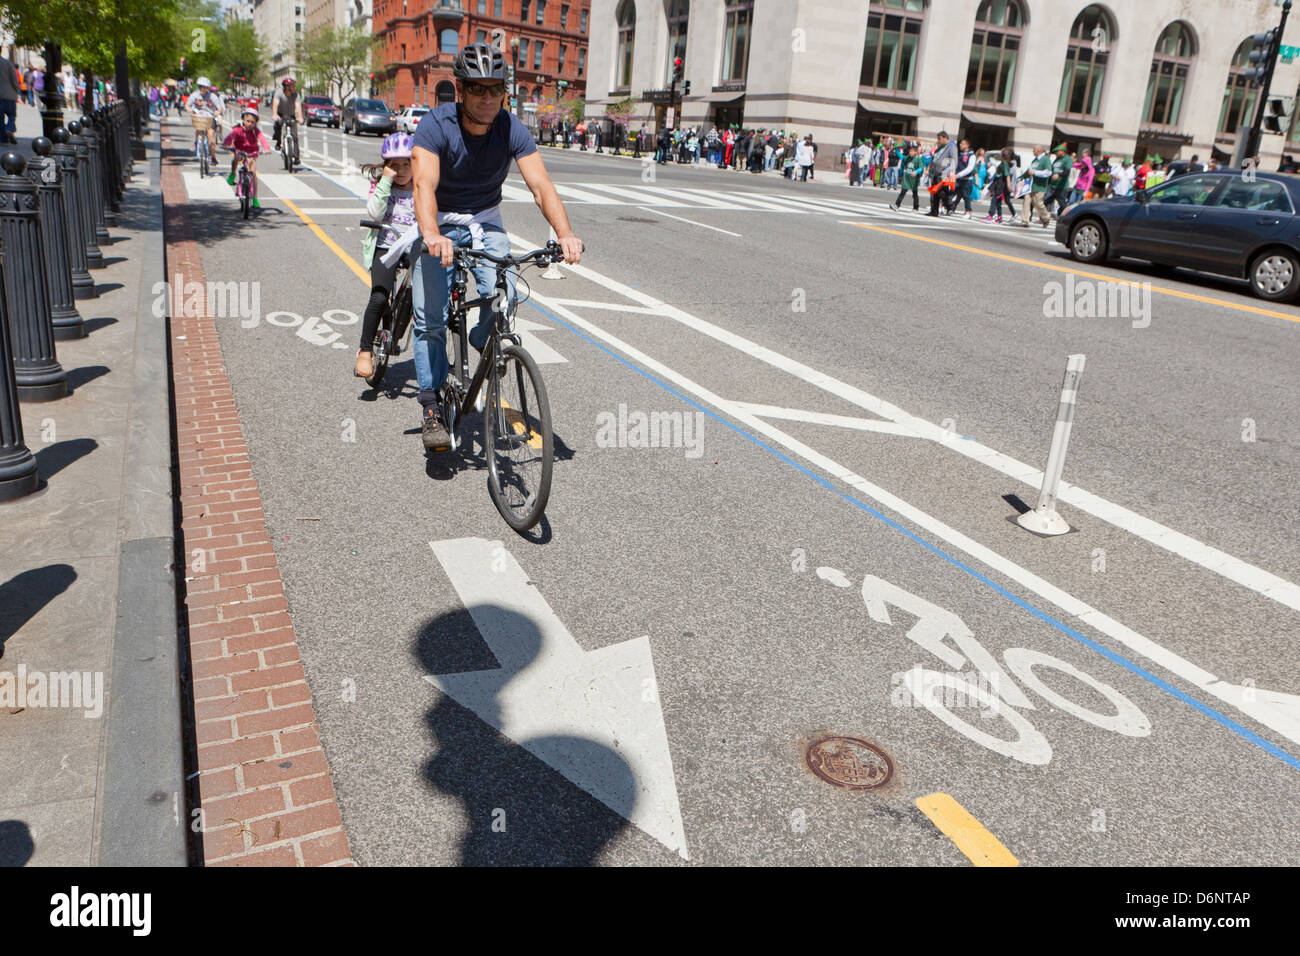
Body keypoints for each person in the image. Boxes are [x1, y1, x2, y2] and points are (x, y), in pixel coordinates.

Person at [407, 42, 583, 452]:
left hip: (485, 219)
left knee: (507, 291)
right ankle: (432, 405)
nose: (487, 99)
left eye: (495, 89)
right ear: (462, 90)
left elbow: (541, 185)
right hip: (442, 220)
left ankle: (481, 335)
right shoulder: (435, 125)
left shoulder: (510, 127)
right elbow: (423, 185)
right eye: (478, 89)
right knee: (430, 318)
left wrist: (564, 233)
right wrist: (431, 234)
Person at [354, 132, 417, 379]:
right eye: (394, 165)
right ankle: (365, 351)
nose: (400, 170)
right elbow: (375, 214)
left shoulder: (421, 187)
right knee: (379, 298)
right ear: (386, 166)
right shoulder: (382, 186)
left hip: (413, 247)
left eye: (406, 164)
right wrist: (385, 182)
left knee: (422, 294)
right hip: (386, 246)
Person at [221, 107, 272, 208]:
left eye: (252, 122)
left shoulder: (255, 131)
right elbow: (230, 137)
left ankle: (255, 198)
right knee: (236, 158)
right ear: (243, 120)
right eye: (248, 121)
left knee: (253, 171)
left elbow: (262, 139)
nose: (249, 124)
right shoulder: (238, 130)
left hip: (252, 152)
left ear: (255, 123)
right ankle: (232, 174)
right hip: (239, 150)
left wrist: (267, 148)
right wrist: (226, 144)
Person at [185, 77, 224, 168]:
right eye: (201, 87)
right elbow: (187, 105)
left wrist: (217, 112)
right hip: (199, 118)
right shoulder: (194, 95)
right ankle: (196, 142)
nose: (202, 89)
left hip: (210, 118)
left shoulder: (212, 96)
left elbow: (219, 107)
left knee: (211, 138)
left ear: (208, 88)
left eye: (205, 87)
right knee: (198, 129)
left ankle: (213, 157)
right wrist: (190, 110)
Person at [1017, 145, 1052, 227]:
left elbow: (1048, 172)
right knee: (1026, 201)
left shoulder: (1046, 160)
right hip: (1031, 186)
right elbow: (1030, 170)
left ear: (1039, 150)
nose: (1033, 151)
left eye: (1034, 150)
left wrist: (1035, 172)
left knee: (1038, 203)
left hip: (1040, 186)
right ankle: (1025, 221)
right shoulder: (1034, 161)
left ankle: (1046, 217)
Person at [272, 77, 304, 160]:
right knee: (277, 125)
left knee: (294, 135)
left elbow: (298, 106)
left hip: (291, 115)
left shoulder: (296, 95)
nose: (294, 87)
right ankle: (278, 142)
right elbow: (275, 104)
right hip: (280, 114)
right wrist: (275, 114)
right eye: (292, 86)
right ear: (286, 87)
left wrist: (300, 117)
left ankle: (296, 157)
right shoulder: (279, 93)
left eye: (293, 86)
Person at [927, 130, 958, 216]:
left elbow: (954, 160)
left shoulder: (951, 146)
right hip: (935, 172)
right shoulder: (941, 147)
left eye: (940, 139)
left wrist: (950, 172)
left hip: (943, 173)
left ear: (945, 138)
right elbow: (935, 158)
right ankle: (934, 210)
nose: (938, 141)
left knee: (942, 192)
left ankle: (950, 206)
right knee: (935, 192)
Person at [890, 144, 924, 212]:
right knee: (902, 193)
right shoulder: (907, 158)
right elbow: (901, 156)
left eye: (912, 151)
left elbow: (921, 168)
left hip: (913, 180)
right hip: (906, 179)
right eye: (910, 151)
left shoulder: (918, 160)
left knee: (914, 194)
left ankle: (915, 207)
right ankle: (897, 205)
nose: (910, 152)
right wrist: (896, 149)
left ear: (916, 152)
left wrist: (916, 172)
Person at [952, 138, 978, 217]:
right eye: (960, 143)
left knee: (966, 196)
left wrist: (959, 174)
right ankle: (949, 207)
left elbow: (970, 168)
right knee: (951, 193)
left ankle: (968, 211)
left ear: (967, 145)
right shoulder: (959, 154)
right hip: (958, 178)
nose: (960, 145)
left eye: (962, 144)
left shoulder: (971, 155)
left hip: (967, 179)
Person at [1045, 143, 1072, 218]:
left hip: (1061, 186)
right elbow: (1052, 170)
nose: (1056, 153)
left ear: (1062, 151)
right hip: (1052, 186)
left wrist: (1059, 175)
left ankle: (1068, 217)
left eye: (1057, 151)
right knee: (1046, 201)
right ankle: (1044, 219)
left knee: (1062, 203)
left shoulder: (1068, 159)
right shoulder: (1056, 159)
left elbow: (1067, 171)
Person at [0, 50, 19, 145]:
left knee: (0, 118)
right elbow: (14, 80)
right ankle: (10, 128)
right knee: (11, 115)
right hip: (9, 94)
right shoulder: (7, 63)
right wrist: (16, 90)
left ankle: (3, 139)